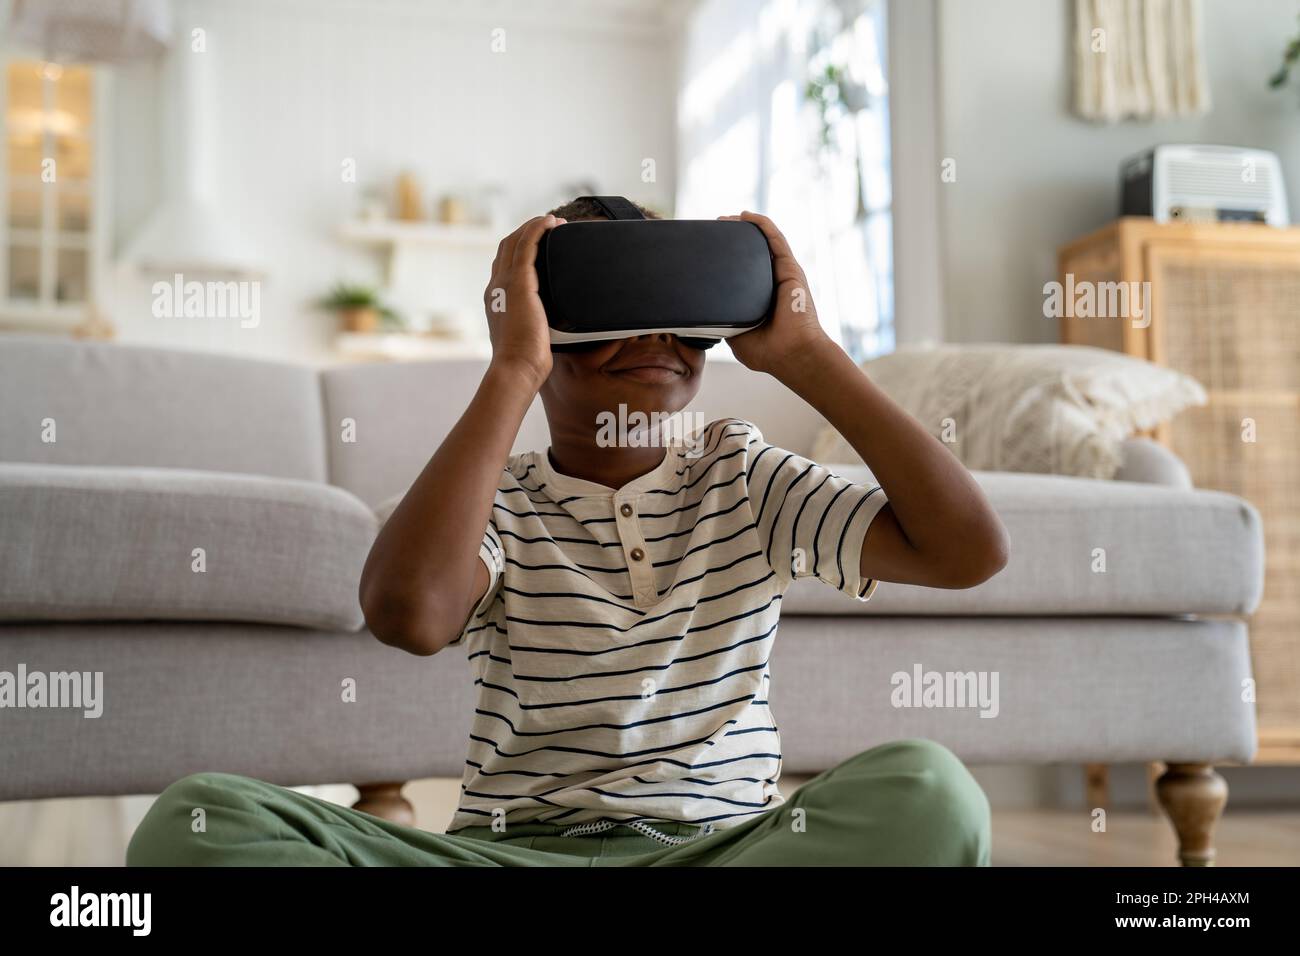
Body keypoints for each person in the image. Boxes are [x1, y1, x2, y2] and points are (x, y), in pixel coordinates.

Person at [127, 198, 1009, 867]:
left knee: (930, 791)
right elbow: (409, 614)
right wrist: (511, 369)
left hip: (716, 849)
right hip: (518, 850)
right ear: (544, 325)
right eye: (613, 304)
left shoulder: (745, 478)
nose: (655, 334)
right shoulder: (493, 502)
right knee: (198, 821)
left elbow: (968, 552)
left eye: (676, 309)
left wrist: (809, 354)